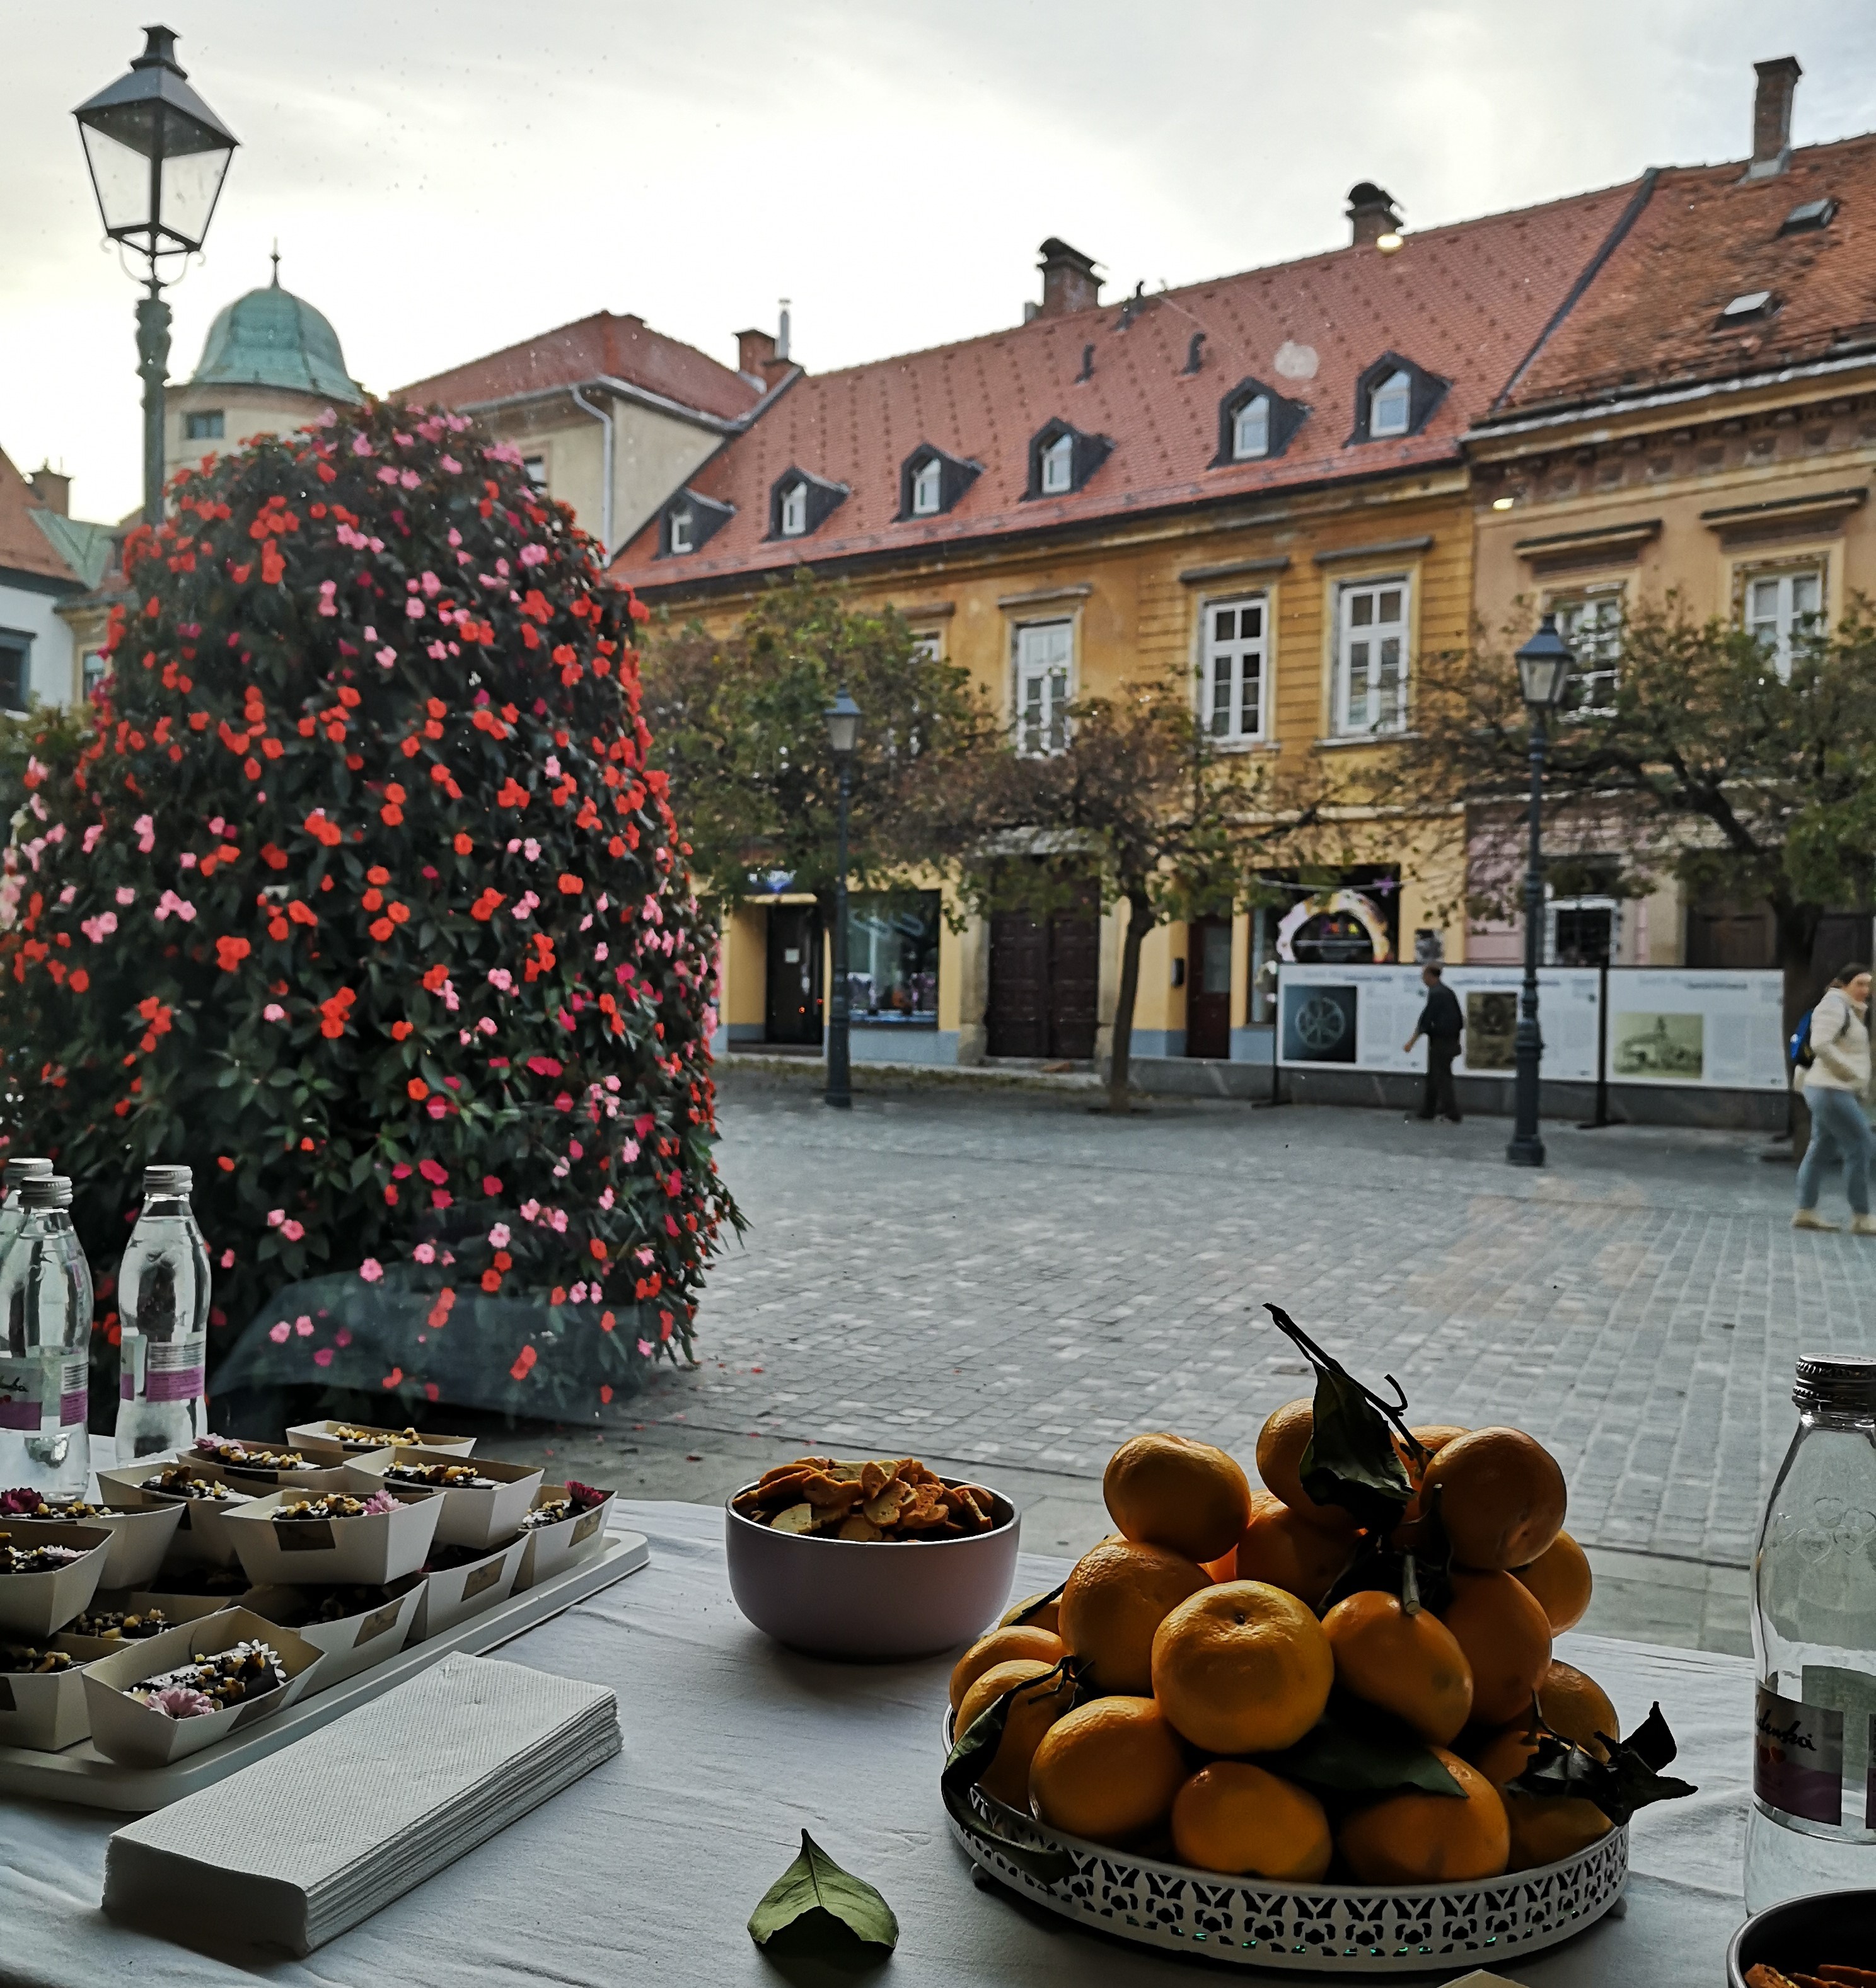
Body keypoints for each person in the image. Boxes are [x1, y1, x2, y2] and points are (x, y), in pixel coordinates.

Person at [1795, 963, 1876, 1233]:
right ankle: (1862, 1216)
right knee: (1862, 1145)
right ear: (1843, 984)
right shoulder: (1834, 1006)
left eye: (1868, 984)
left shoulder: (1850, 1009)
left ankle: (1805, 1211)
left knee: (1822, 1148)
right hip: (1830, 1089)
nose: (1866, 990)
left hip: (1828, 1088)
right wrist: (1851, 1073)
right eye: (1860, 984)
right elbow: (1820, 1044)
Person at [1404, 962, 1464, 1123]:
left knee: (1442, 1077)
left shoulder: (1438, 994)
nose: (1423, 979)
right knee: (1435, 1076)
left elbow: (1426, 1018)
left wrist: (1411, 1042)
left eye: (1424, 975)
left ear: (1431, 976)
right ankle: (1428, 1110)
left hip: (1442, 1042)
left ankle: (1452, 1113)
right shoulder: (1446, 992)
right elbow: (1458, 1020)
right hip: (1447, 1041)